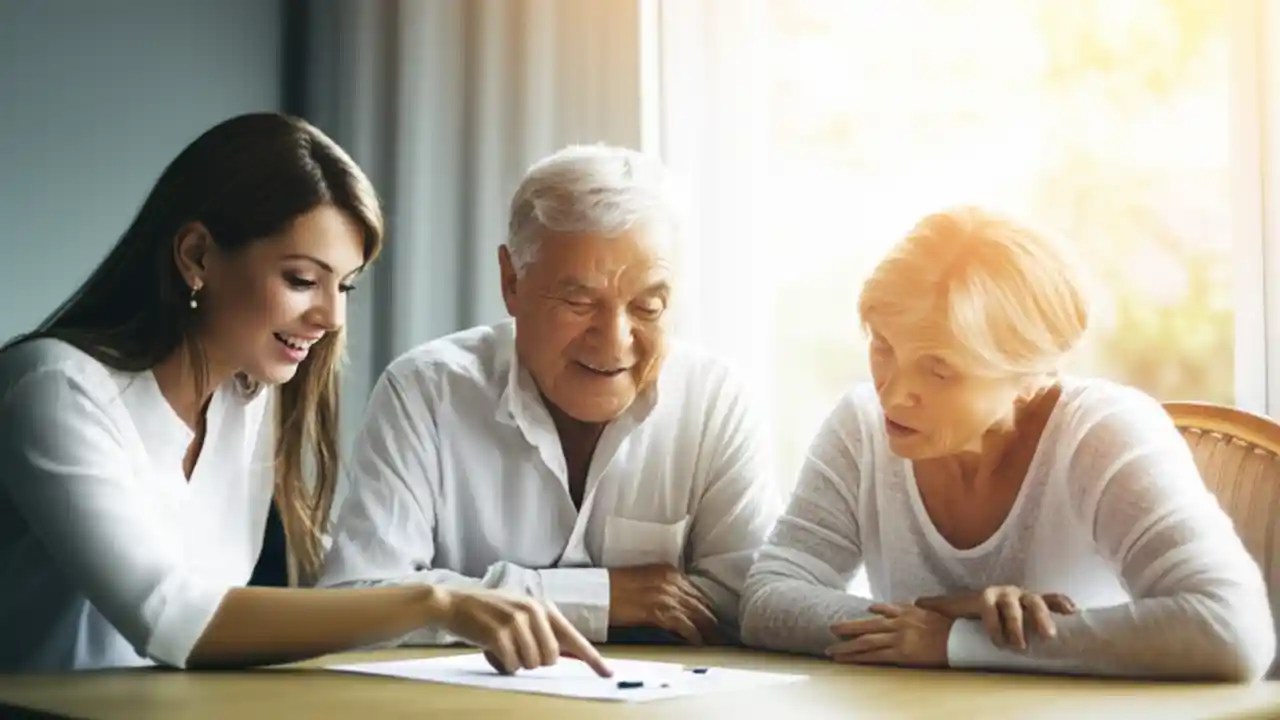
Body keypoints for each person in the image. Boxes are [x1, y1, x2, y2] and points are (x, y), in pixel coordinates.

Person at [0, 113, 609, 677]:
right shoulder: (54, 389)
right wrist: (437, 602)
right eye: (301, 280)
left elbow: (327, 587)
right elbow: (170, 618)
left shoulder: (248, 397)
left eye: (344, 285)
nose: (331, 317)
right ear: (196, 255)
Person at [739, 206, 1275, 681]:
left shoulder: (1102, 432)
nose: (894, 392)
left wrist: (955, 644)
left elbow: (1231, 630)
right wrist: (931, 621)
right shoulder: (862, 424)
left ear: (1030, 377)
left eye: (940, 370)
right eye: (883, 347)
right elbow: (767, 598)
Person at [320, 144, 778, 646]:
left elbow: (747, 603)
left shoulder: (715, 401)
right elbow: (358, 600)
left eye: (648, 306)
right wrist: (601, 597)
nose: (615, 340)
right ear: (511, 282)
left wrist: (477, 600)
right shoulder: (425, 391)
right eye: (579, 301)